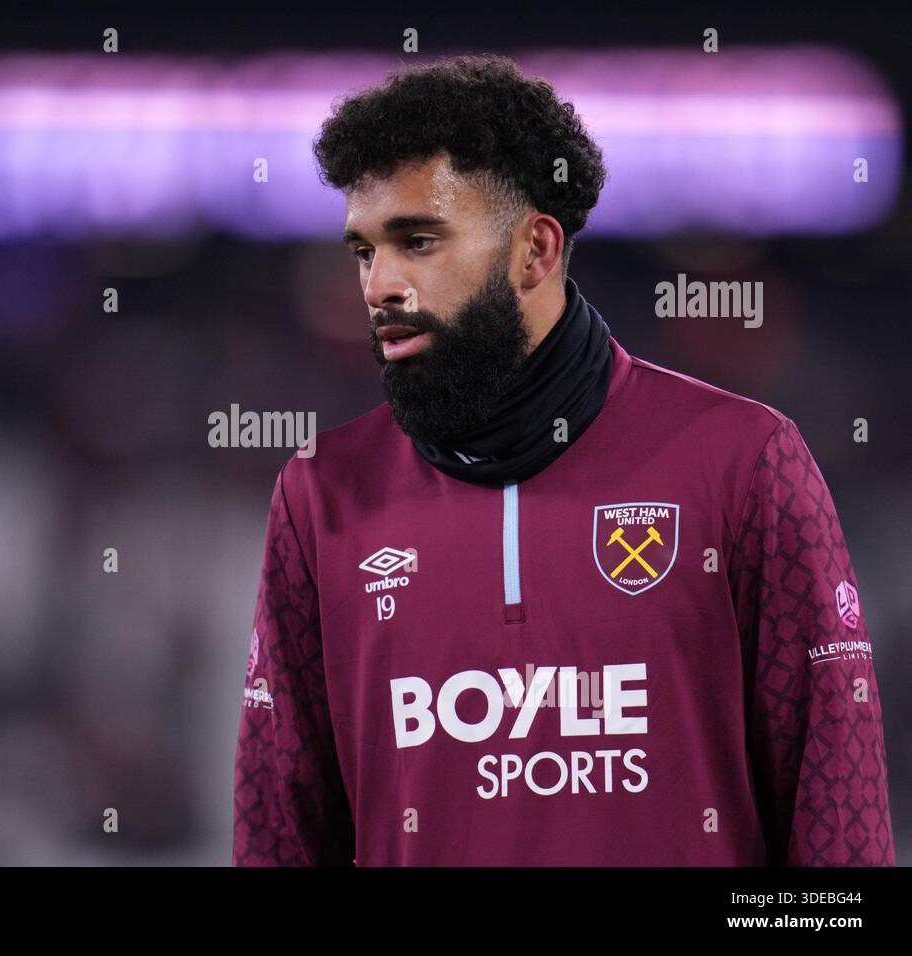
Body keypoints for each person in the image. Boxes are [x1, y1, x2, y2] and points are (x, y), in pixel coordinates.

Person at [230, 54, 894, 866]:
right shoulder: (322, 494)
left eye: (419, 240)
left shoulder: (744, 461)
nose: (379, 285)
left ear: (536, 251)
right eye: (365, 250)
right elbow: (279, 833)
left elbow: (839, 823)